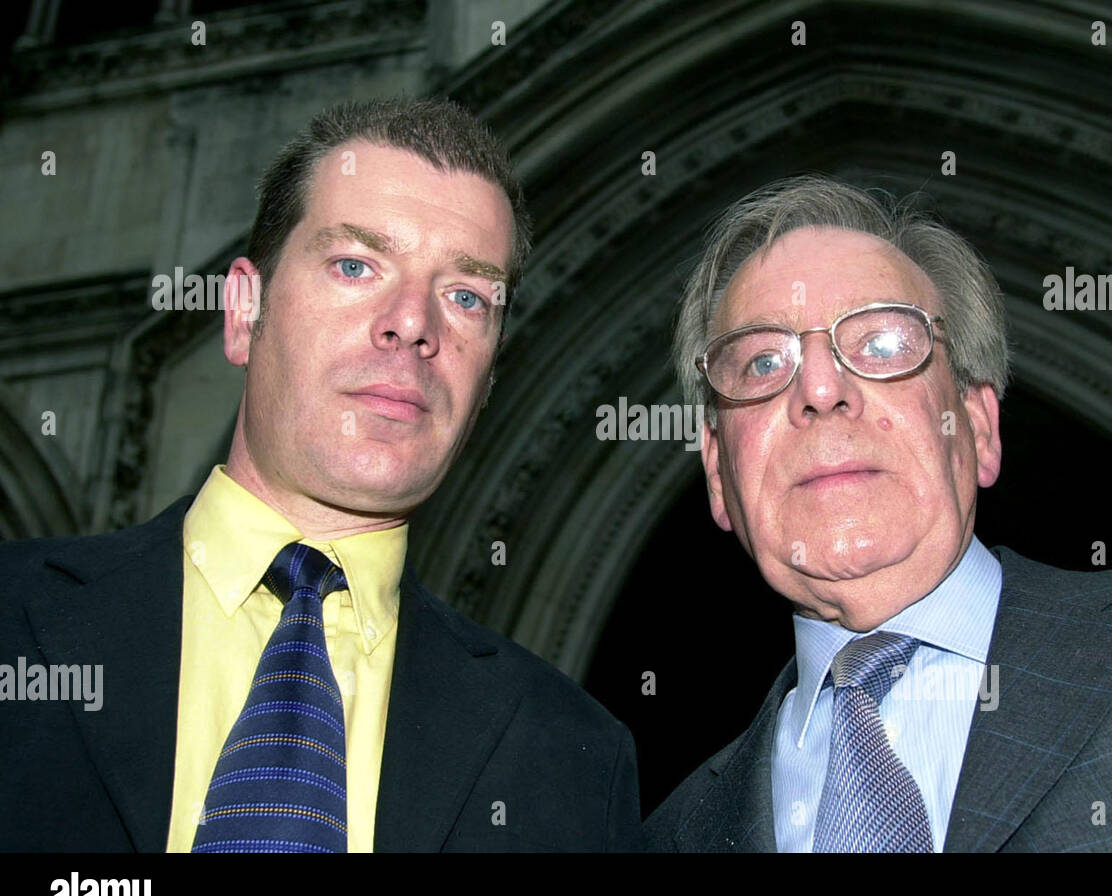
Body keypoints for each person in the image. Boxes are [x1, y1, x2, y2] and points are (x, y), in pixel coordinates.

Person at [0, 98, 641, 853]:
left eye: (466, 296)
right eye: (355, 265)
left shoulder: (575, 757)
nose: (413, 322)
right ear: (244, 311)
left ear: (491, 373)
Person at [644, 174, 1112, 853]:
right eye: (761, 362)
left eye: (883, 345)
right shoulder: (664, 837)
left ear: (979, 428)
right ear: (719, 474)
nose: (818, 387)